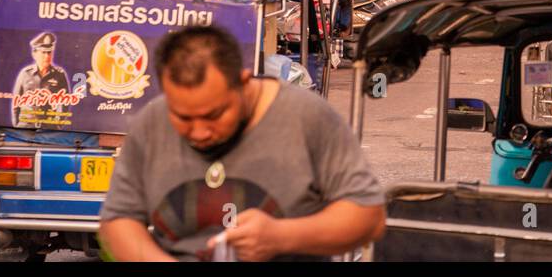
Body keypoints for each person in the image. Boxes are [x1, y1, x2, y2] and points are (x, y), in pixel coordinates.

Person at [98, 26, 386, 261]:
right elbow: (118, 221)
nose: (198, 132)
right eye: (182, 117)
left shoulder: (308, 118)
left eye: (214, 115)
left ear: (243, 82)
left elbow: (368, 217)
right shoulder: (152, 121)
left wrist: (281, 236)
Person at [12, 32, 72, 127]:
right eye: (43, 52)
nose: (47, 56)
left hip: (49, 126)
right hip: (26, 125)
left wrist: (58, 124)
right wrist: (16, 124)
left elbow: (64, 103)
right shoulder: (25, 73)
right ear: (34, 54)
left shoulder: (59, 74)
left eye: (49, 52)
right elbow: (16, 101)